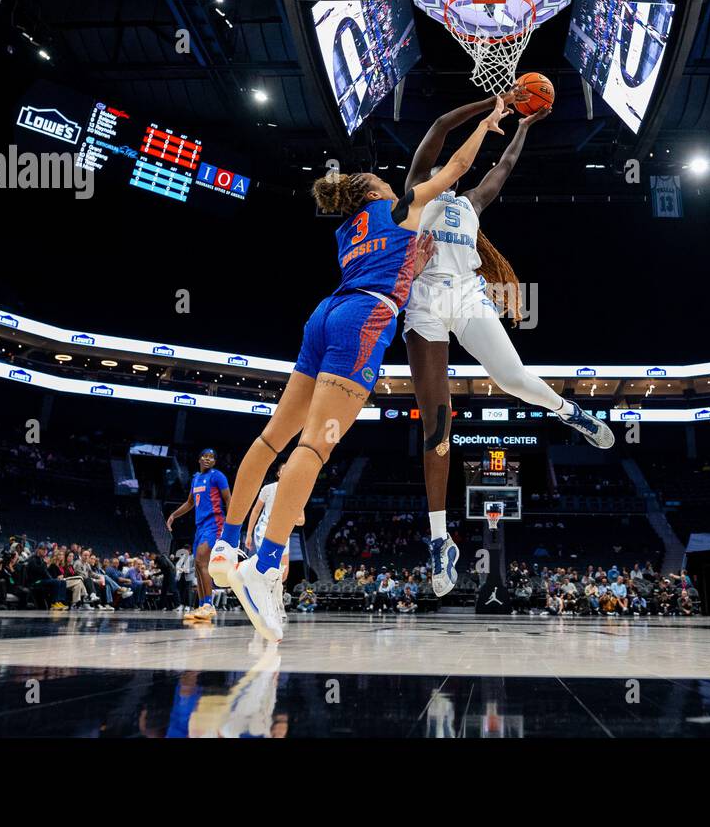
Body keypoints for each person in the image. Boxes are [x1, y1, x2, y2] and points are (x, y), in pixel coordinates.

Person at [216, 96, 509, 642]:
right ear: (377, 193)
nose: (391, 182)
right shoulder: (398, 208)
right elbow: (459, 168)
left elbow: (396, 258)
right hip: (364, 319)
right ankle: (265, 566)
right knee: (313, 447)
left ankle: (228, 543)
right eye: (383, 180)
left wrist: (414, 261)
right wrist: (489, 123)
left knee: (271, 437)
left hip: (324, 315)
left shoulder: (347, 230)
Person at [400, 92, 615, 597]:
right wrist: (486, 108)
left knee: (513, 378)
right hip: (424, 305)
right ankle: (438, 541)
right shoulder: (417, 192)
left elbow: (507, 164)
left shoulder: (471, 205)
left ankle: (568, 412)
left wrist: (524, 125)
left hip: (469, 299)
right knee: (436, 423)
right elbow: (437, 125)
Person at [166, 449, 230, 623]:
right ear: (199, 459)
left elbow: (228, 500)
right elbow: (190, 503)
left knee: (203, 560)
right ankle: (203, 606)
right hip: (200, 526)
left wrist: (231, 527)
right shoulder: (195, 478)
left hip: (215, 523)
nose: (208, 459)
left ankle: (209, 605)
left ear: (214, 462)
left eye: (212, 457)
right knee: (198, 564)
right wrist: (173, 515)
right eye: (205, 456)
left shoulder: (218, 476)